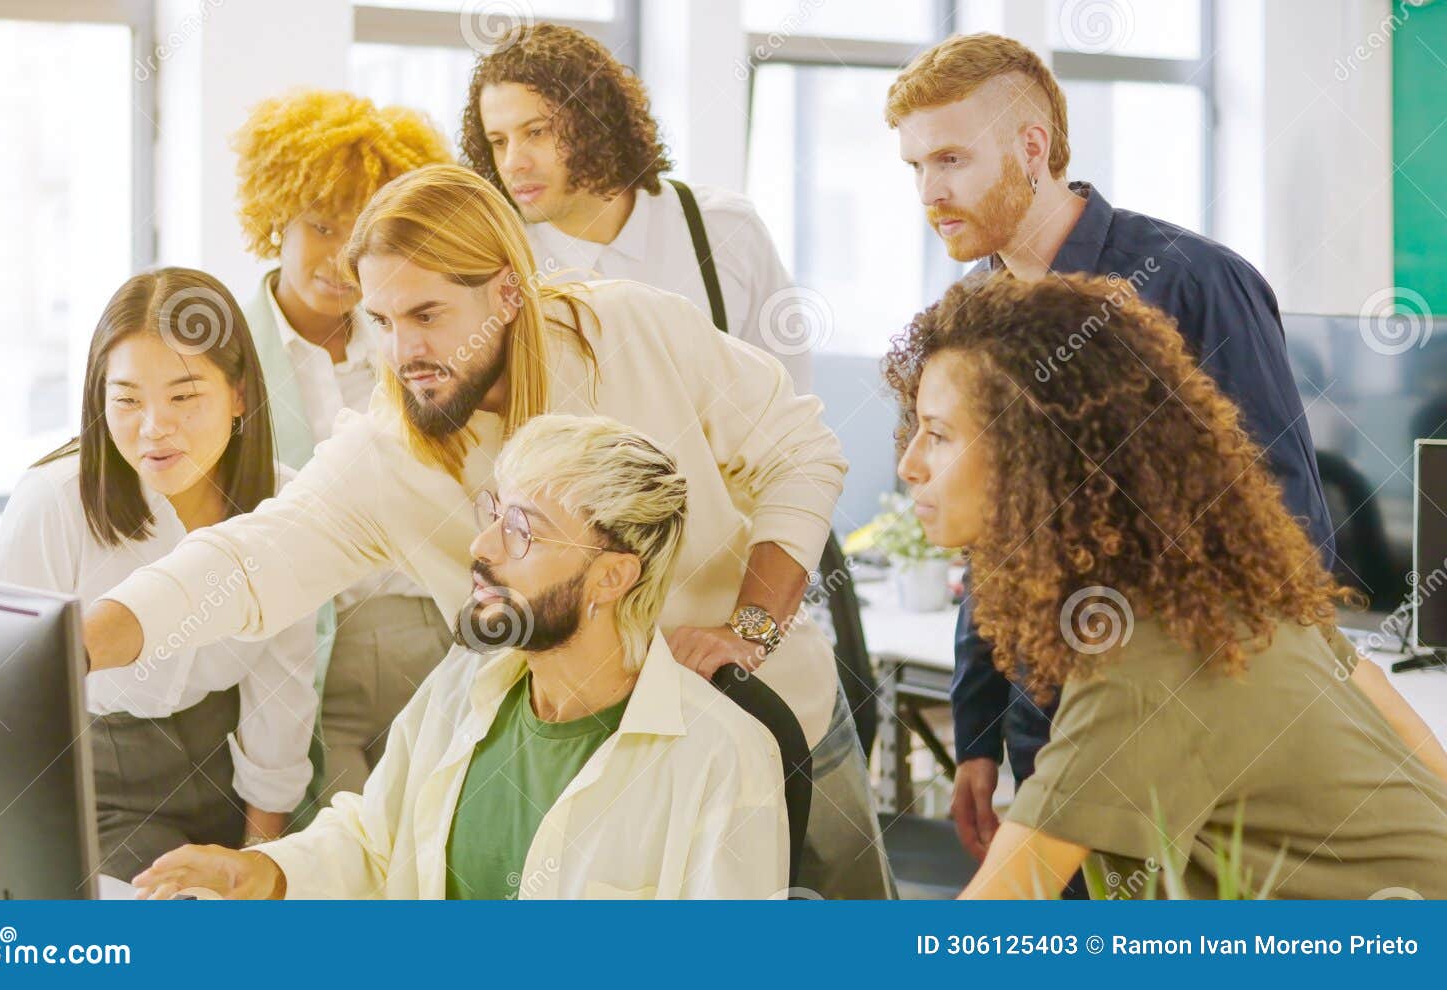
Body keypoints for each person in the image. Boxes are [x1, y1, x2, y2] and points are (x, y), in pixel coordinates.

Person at [83, 163, 893, 899]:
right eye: (381, 320)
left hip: (768, 718)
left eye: (427, 313)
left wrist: (750, 630)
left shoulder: (632, 331)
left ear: (506, 292)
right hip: (566, 760)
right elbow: (250, 559)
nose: (404, 351)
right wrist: (81, 644)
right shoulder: (389, 451)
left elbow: (800, 452)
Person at [883, 32, 1338, 865]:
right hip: (1045, 736)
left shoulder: (1192, 281)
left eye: (950, 159)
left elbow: (1289, 525)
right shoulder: (975, 311)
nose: (929, 191)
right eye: (915, 166)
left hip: (1188, 739)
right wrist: (977, 731)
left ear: (1032, 148)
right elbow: (994, 542)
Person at [887, 273, 1447, 899]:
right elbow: (1374, 690)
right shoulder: (1214, 592)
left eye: (938, 435)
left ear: (1038, 450)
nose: (909, 464)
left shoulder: (1144, 662)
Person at [131, 414, 789, 899]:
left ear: (612, 577)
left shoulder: (722, 759)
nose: (483, 546)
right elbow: (378, 842)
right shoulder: (464, 683)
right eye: (495, 514)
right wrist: (262, 871)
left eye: (523, 531)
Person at [0, 268, 322, 881]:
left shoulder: (285, 504)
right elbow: (5, 707)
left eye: (184, 397)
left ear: (240, 394)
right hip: (95, 775)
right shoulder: (53, 503)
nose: (154, 427)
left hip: (228, 765)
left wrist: (258, 858)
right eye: (127, 400)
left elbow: (280, 692)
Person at [232, 88, 456, 803]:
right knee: (344, 854)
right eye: (322, 226)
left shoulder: (416, 339)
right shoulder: (223, 352)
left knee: (444, 846)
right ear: (277, 215)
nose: (341, 259)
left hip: (444, 638)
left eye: (364, 236)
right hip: (312, 657)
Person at [463, 22, 813, 390]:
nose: (512, 163)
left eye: (536, 132)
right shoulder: (495, 263)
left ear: (595, 124)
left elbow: (790, 395)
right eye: (498, 142)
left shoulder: (724, 228)